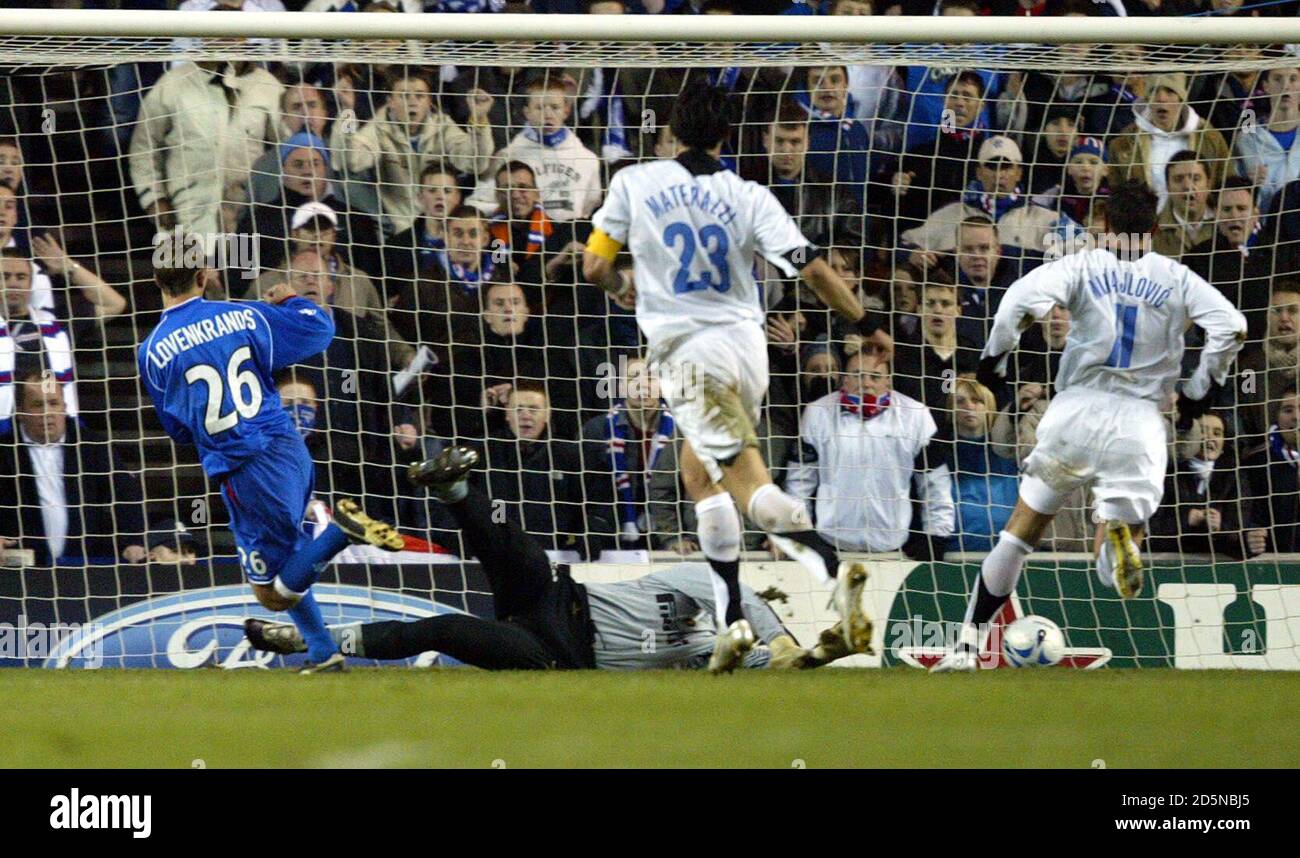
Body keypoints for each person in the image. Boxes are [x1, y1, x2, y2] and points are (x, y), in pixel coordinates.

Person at [582, 79, 886, 672]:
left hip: (689, 357)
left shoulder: (632, 182)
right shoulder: (751, 195)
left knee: (751, 488)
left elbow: (597, 263)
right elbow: (813, 270)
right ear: (728, 136)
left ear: (671, 130)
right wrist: (866, 321)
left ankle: (832, 568)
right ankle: (731, 624)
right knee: (699, 475)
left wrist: (623, 287)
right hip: (748, 351)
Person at [931, 181, 1248, 673]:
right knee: (1115, 547)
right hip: (1140, 424)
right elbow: (1233, 325)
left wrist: (994, 359)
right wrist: (1200, 388)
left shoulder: (1081, 265)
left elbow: (1018, 298)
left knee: (1018, 535)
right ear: (1157, 229)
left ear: (1103, 225)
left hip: (1073, 411)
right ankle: (1115, 550)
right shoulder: (1178, 277)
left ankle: (968, 646)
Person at [245, 445, 871, 672]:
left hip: (557, 655)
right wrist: (781, 632)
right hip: (557, 598)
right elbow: (751, 605)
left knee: (442, 631)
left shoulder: (713, 655)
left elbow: (773, 664)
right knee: (513, 550)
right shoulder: (700, 588)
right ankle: (454, 485)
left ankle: (303, 643)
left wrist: (806, 652)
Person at [137, 233, 405, 673]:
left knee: (272, 593)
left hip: (245, 468)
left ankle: (340, 532)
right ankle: (322, 651)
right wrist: (292, 298)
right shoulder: (243, 315)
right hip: (288, 446)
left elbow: (178, 428)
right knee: (289, 559)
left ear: (156, 280)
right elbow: (320, 330)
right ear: (204, 276)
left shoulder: (151, 352)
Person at [784, 351, 955, 559]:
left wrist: (937, 535)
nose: (866, 383)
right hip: (831, 545)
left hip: (893, 548)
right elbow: (799, 482)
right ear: (844, 379)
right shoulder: (817, 413)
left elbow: (935, 482)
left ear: (888, 382)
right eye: (857, 374)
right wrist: (799, 532)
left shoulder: (915, 415)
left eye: (875, 376)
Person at [0, 369, 146, 567]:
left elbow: (125, 495)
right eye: (37, 405)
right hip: (18, 572)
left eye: (53, 403)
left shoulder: (92, 446)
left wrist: (132, 542)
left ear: (65, 407)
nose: (47, 413)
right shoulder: (4, 451)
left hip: (82, 569)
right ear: (19, 412)